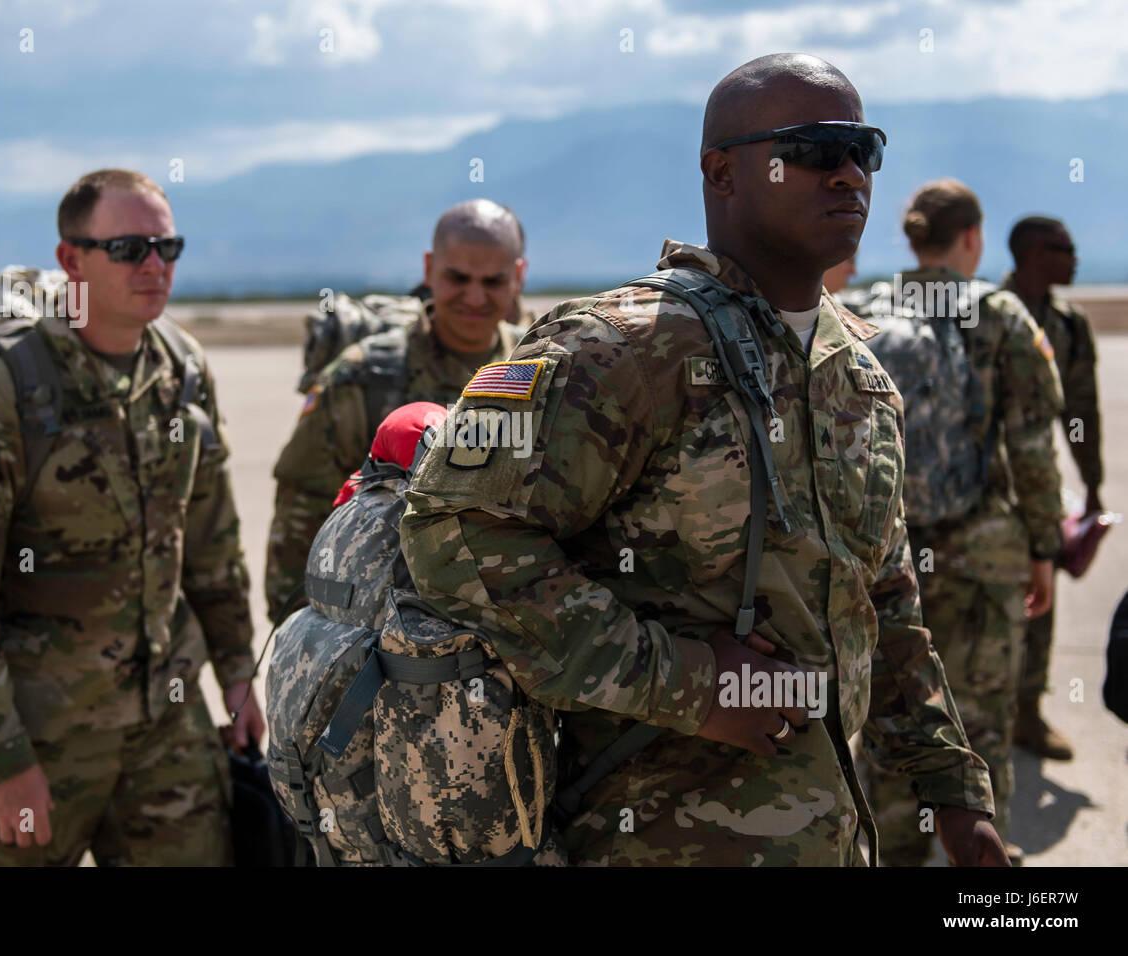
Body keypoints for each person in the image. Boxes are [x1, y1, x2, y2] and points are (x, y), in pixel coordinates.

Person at [398, 53, 1005, 866]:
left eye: (865, 149)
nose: (849, 174)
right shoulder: (618, 349)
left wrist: (955, 796)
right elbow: (450, 533)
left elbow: (884, 598)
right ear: (723, 173)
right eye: (818, 149)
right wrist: (687, 682)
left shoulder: (856, 370)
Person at [0, 168, 263, 865]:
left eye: (169, 248)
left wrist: (238, 669)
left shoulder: (180, 369)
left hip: (167, 722)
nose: (155, 266)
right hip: (39, 730)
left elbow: (212, 539)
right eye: (130, 249)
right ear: (72, 259)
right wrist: (0, 760)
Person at [860, 181, 1064, 866]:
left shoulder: (863, 309)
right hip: (982, 559)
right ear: (972, 238)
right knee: (979, 721)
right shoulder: (999, 314)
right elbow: (1032, 446)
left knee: (893, 717)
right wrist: (1044, 548)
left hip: (886, 560)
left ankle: (893, 850)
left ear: (914, 240)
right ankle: (983, 863)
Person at [264, 198, 526, 622]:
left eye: (493, 281)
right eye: (457, 278)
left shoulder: (538, 369)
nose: (474, 297)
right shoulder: (365, 376)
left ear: (518, 275)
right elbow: (302, 512)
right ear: (428, 269)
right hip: (381, 639)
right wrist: (302, 632)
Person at [1002, 216, 1101, 761]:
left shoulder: (1069, 325)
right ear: (1035, 253)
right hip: (983, 495)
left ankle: (1027, 713)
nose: (1075, 257)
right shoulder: (983, 313)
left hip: (1039, 490)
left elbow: (1082, 411)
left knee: (1041, 602)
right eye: (1064, 249)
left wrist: (1094, 486)